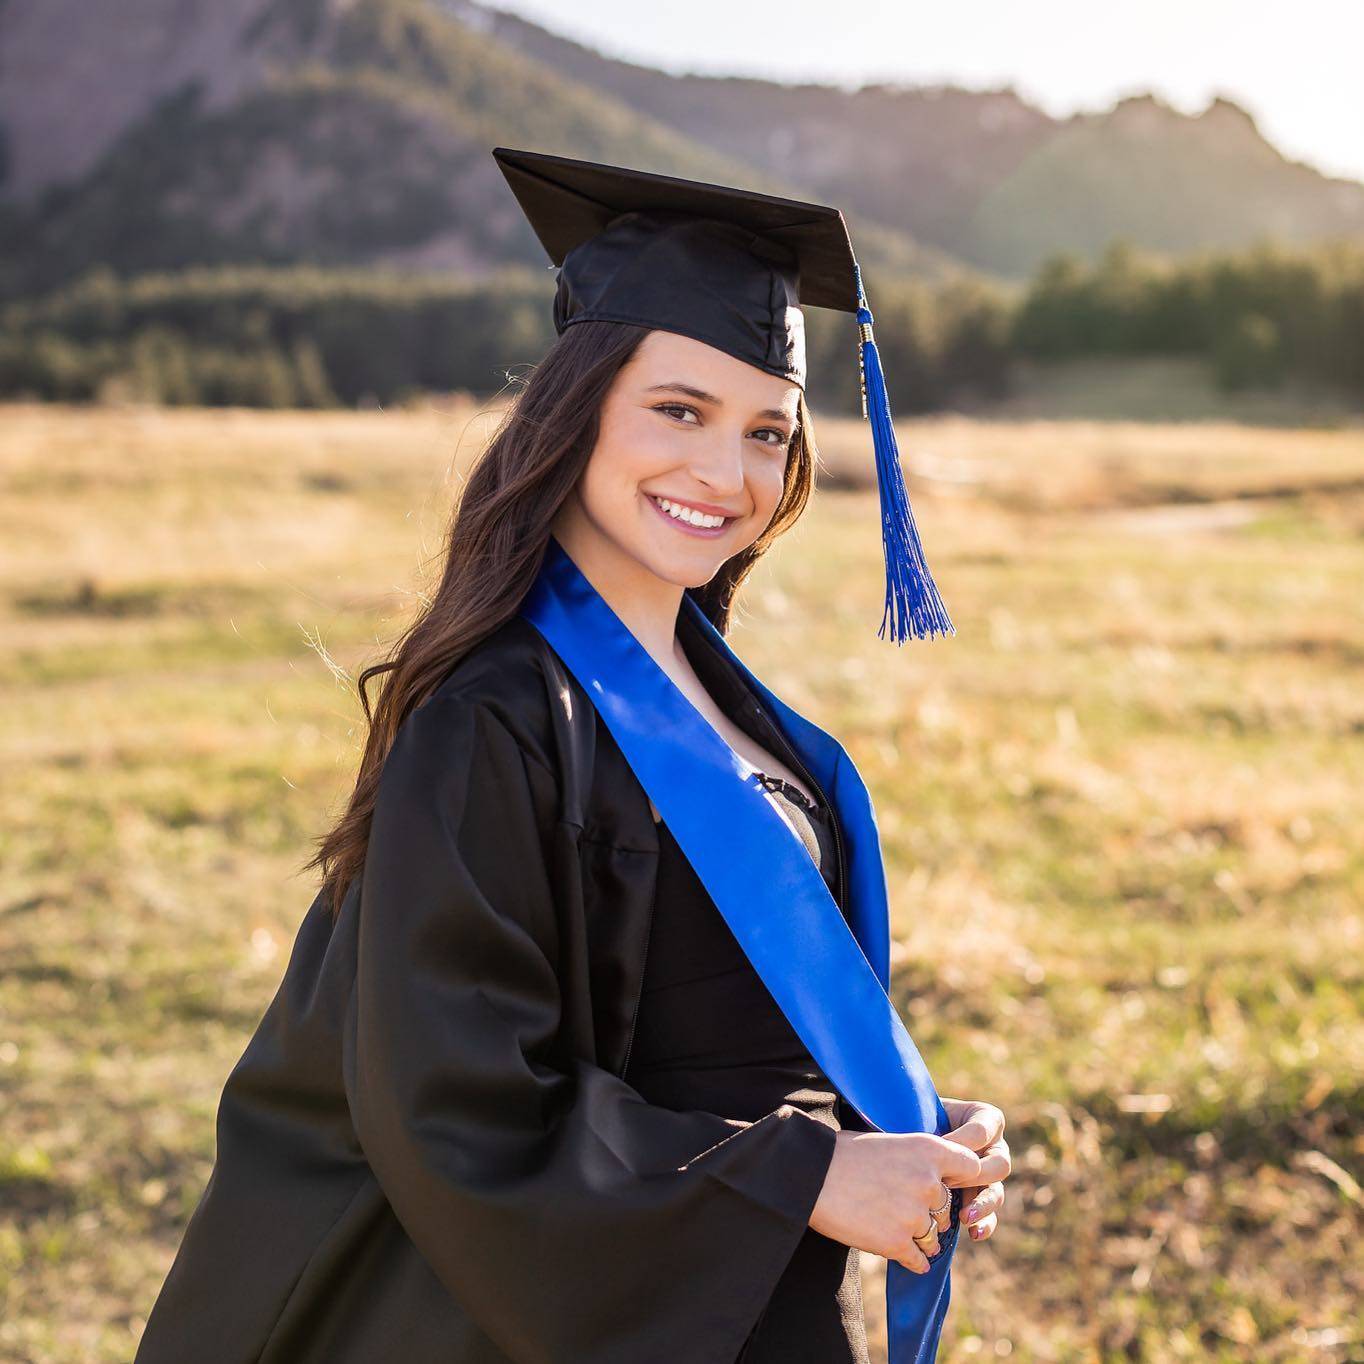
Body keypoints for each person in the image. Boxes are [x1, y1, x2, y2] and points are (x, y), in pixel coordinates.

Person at [133, 148, 1010, 1364]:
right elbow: (462, 1103)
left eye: (768, 430)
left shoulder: (742, 717)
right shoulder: (488, 719)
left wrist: (902, 1129)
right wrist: (805, 1174)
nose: (727, 472)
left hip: (755, 1302)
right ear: (577, 405)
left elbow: (731, 1039)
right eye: (678, 410)